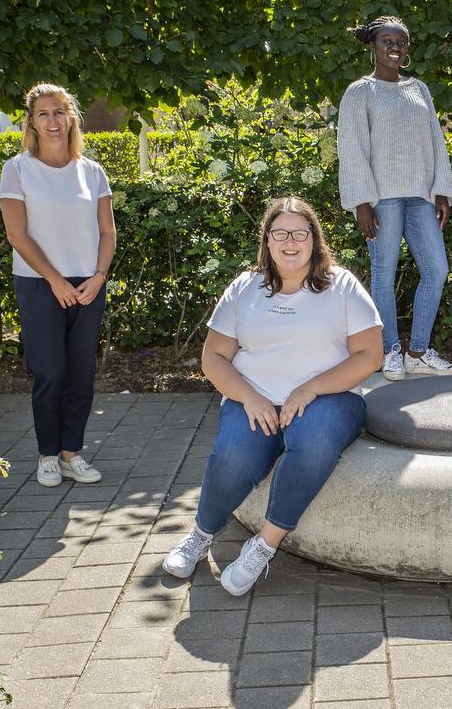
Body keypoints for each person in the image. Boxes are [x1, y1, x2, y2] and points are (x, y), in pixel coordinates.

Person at [163, 197, 383, 595]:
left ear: (315, 240)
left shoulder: (342, 285)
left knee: (314, 444)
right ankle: (200, 534)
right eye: (280, 233)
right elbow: (213, 357)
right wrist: (248, 397)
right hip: (256, 398)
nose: (290, 242)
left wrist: (311, 387)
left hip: (328, 398)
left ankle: (263, 546)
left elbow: (371, 354)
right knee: (233, 456)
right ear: (266, 240)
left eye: (300, 233)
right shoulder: (245, 287)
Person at [0, 83, 115, 488]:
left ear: (72, 119)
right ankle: (48, 454)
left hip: (88, 286)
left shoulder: (92, 171)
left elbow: (107, 232)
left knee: (81, 373)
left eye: (60, 112)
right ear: (31, 121)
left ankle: (72, 454)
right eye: (44, 113)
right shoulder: (17, 169)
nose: (53, 121)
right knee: (50, 372)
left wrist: (98, 277)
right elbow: (17, 235)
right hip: (38, 284)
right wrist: (55, 280)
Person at [338, 15, 452, 381]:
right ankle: (390, 350)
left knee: (437, 269)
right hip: (382, 199)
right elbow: (353, 148)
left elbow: (436, 141)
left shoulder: (418, 89)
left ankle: (418, 351)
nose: (395, 47)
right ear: (373, 46)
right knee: (383, 275)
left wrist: (441, 189)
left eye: (401, 42)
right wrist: (361, 200)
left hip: (421, 196)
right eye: (388, 41)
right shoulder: (360, 91)